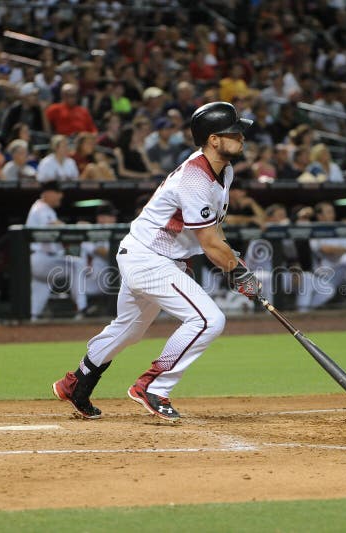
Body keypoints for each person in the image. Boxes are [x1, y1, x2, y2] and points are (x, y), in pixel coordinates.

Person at [51, 102, 261, 422]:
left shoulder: (224, 171)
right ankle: (153, 386)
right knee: (208, 320)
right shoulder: (195, 177)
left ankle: (77, 382)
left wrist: (235, 265)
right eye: (234, 133)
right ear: (214, 139)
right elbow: (208, 242)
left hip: (152, 256)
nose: (242, 137)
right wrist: (239, 272)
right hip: (149, 258)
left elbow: (213, 231)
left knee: (129, 329)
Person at [26, 180, 88, 320]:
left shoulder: (42, 208)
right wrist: (75, 227)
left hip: (42, 259)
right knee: (77, 265)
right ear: (47, 193)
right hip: (42, 258)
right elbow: (55, 226)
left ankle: (31, 318)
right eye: (58, 192)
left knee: (35, 307)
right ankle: (82, 308)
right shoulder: (41, 209)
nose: (61, 195)